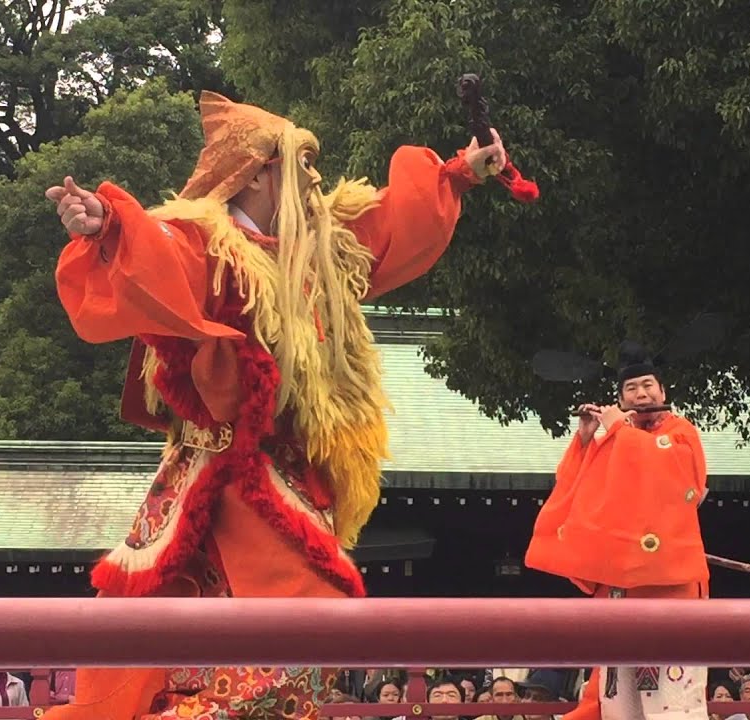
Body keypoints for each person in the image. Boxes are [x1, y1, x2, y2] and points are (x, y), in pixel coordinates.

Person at [41, 91, 508, 720]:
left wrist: (460, 171)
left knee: (277, 648)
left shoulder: (319, 250)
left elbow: (386, 224)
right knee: (271, 643)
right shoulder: (208, 243)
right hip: (228, 475)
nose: (315, 175)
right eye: (302, 161)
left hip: (286, 473)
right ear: (258, 170)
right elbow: (161, 256)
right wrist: (110, 227)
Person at [526, 341, 710, 720]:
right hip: (618, 588)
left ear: (663, 390)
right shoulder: (612, 435)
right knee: (618, 705)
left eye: (647, 386)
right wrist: (584, 438)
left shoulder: (681, 433)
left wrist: (619, 431)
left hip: (669, 586)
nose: (641, 395)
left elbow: (680, 485)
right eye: (631, 389)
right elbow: (577, 489)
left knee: (671, 705)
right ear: (620, 397)